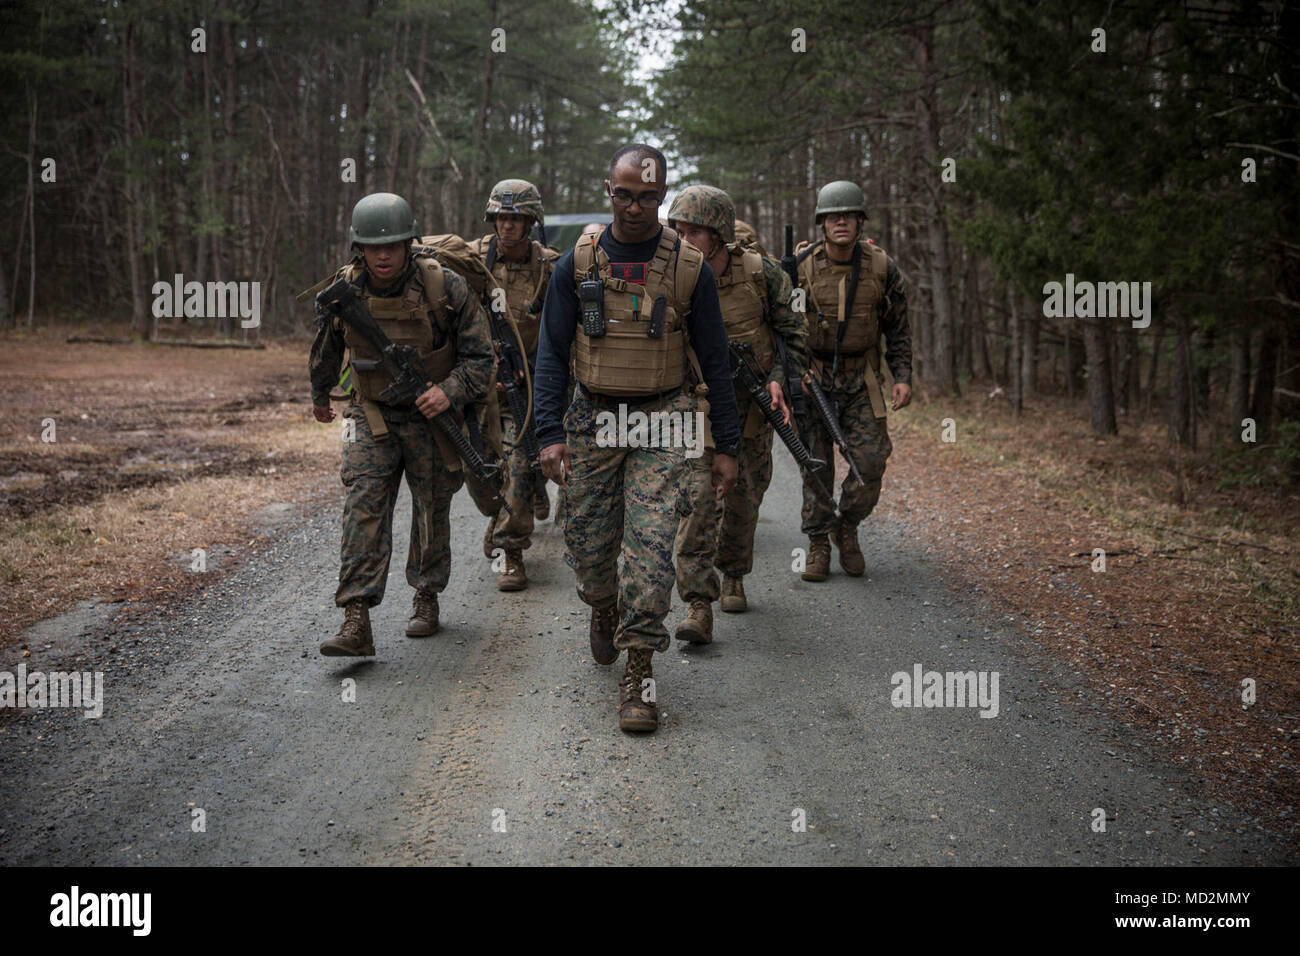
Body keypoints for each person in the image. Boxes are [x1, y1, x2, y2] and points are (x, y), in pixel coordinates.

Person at [532, 144, 740, 733]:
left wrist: (727, 446)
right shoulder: (576, 264)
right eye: (624, 195)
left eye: (648, 197)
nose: (634, 207)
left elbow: (716, 361)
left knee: (649, 556)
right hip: (594, 420)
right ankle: (602, 606)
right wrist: (549, 433)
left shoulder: (688, 268)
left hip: (661, 420)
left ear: (663, 198)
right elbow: (550, 354)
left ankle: (640, 675)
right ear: (609, 189)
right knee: (593, 554)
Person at [307, 192, 493, 655]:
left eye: (392, 246)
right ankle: (356, 617)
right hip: (368, 413)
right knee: (363, 504)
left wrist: (446, 391)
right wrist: (319, 393)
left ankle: (426, 596)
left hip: (431, 420)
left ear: (410, 243)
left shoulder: (444, 287)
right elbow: (328, 347)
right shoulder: (346, 290)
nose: (383, 255)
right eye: (373, 247)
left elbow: (481, 360)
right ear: (359, 248)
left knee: (432, 507)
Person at [667, 185, 807, 643]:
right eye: (679, 230)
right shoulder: (670, 276)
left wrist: (779, 380)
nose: (684, 240)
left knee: (744, 499)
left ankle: (733, 574)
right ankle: (697, 603)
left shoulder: (761, 274)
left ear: (720, 235)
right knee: (698, 504)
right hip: (696, 410)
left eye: (695, 232)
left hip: (750, 408)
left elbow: (795, 332)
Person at [793, 180, 912, 581]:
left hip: (862, 378)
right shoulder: (801, 268)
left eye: (848, 214)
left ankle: (847, 526)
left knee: (871, 461)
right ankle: (818, 541)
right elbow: (782, 326)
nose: (841, 221)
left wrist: (903, 376)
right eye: (833, 216)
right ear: (822, 223)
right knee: (816, 465)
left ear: (860, 221)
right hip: (814, 377)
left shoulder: (881, 266)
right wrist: (795, 371)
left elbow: (898, 326)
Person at [468, 179, 559, 591]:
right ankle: (500, 512)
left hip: (529, 384)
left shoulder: (550, 267)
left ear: (531, 222)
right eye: (502, 218)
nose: (507, 226)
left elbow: (563, 332)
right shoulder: (471, 260)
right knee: (481, 468)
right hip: (479, 385)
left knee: (519, 462)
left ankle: (512, 552)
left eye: (516, 219)